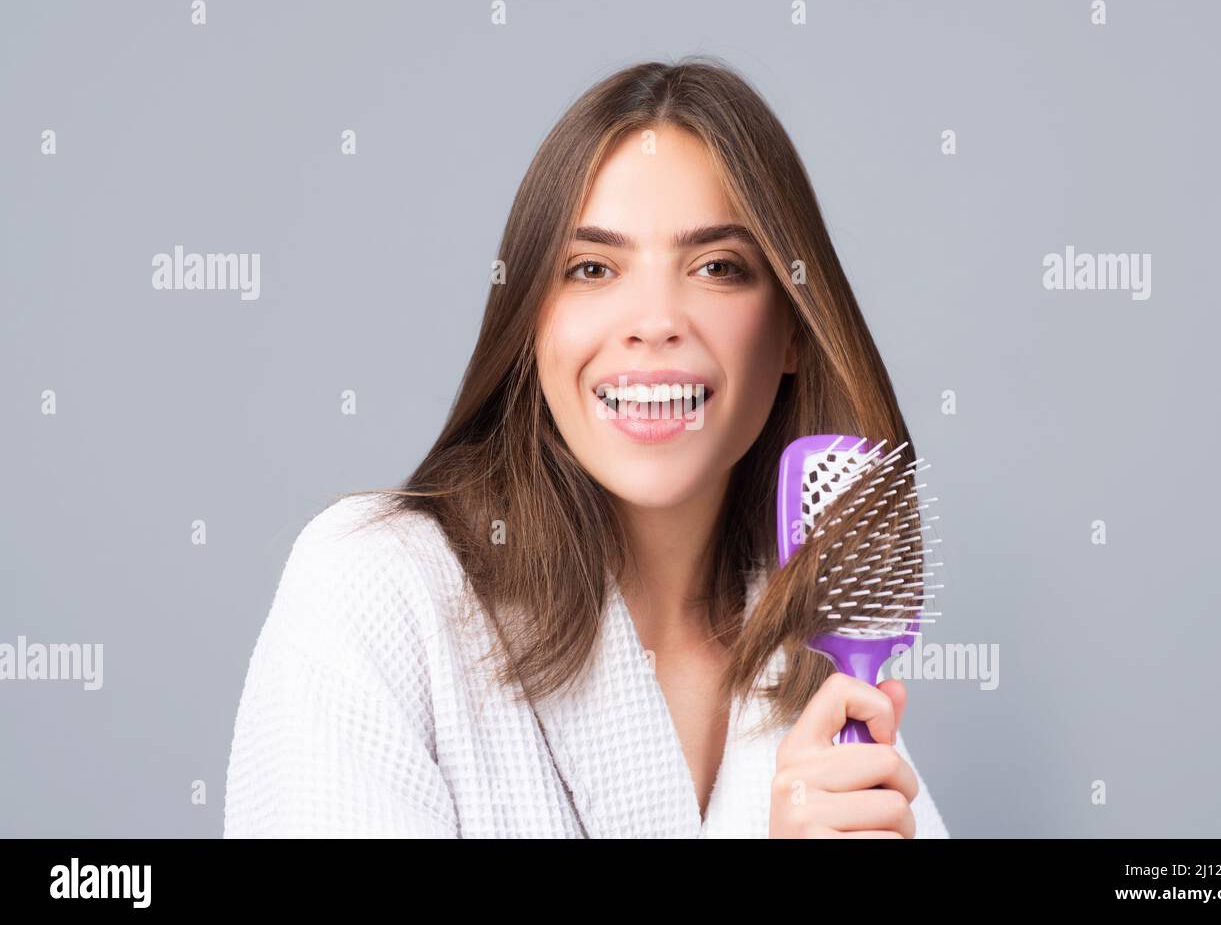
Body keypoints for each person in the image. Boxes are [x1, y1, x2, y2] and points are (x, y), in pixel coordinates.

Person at [224, 57, 949, 838]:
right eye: (593, 268)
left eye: (717, 267)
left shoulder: (818, 679)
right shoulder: (374, 588)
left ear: (793, 335)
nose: (653, 319)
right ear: (533, 322)